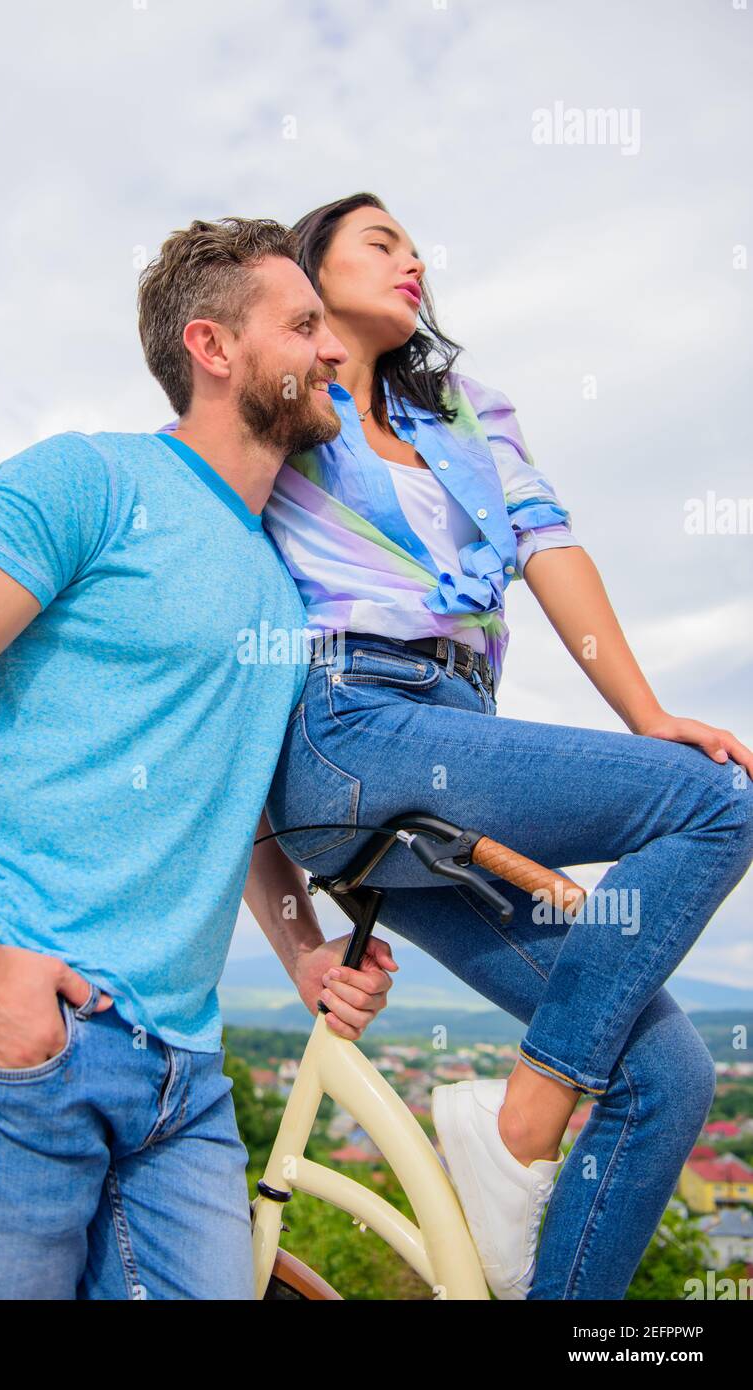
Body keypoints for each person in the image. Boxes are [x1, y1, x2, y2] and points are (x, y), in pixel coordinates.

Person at [0, 216, 398, 1300]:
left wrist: (305, 956)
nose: (334, 350)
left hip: (184, 1079)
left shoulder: (282, 586)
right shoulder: (91, 480)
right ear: (214, 349)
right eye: (305, 323)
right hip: (14, 1038)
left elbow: (237, 812)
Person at [240, 193, 753, 1300]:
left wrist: (646, 712)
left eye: (418, 246)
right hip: (351, 731)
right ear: (308, 272)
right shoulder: (280, 404)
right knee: (717, 803)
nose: (413, 259)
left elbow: (547, 545)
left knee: (666, 1070)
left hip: (449, 756)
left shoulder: (470, 413)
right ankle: (519, 1125)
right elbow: (165, 516)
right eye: (380, 242)